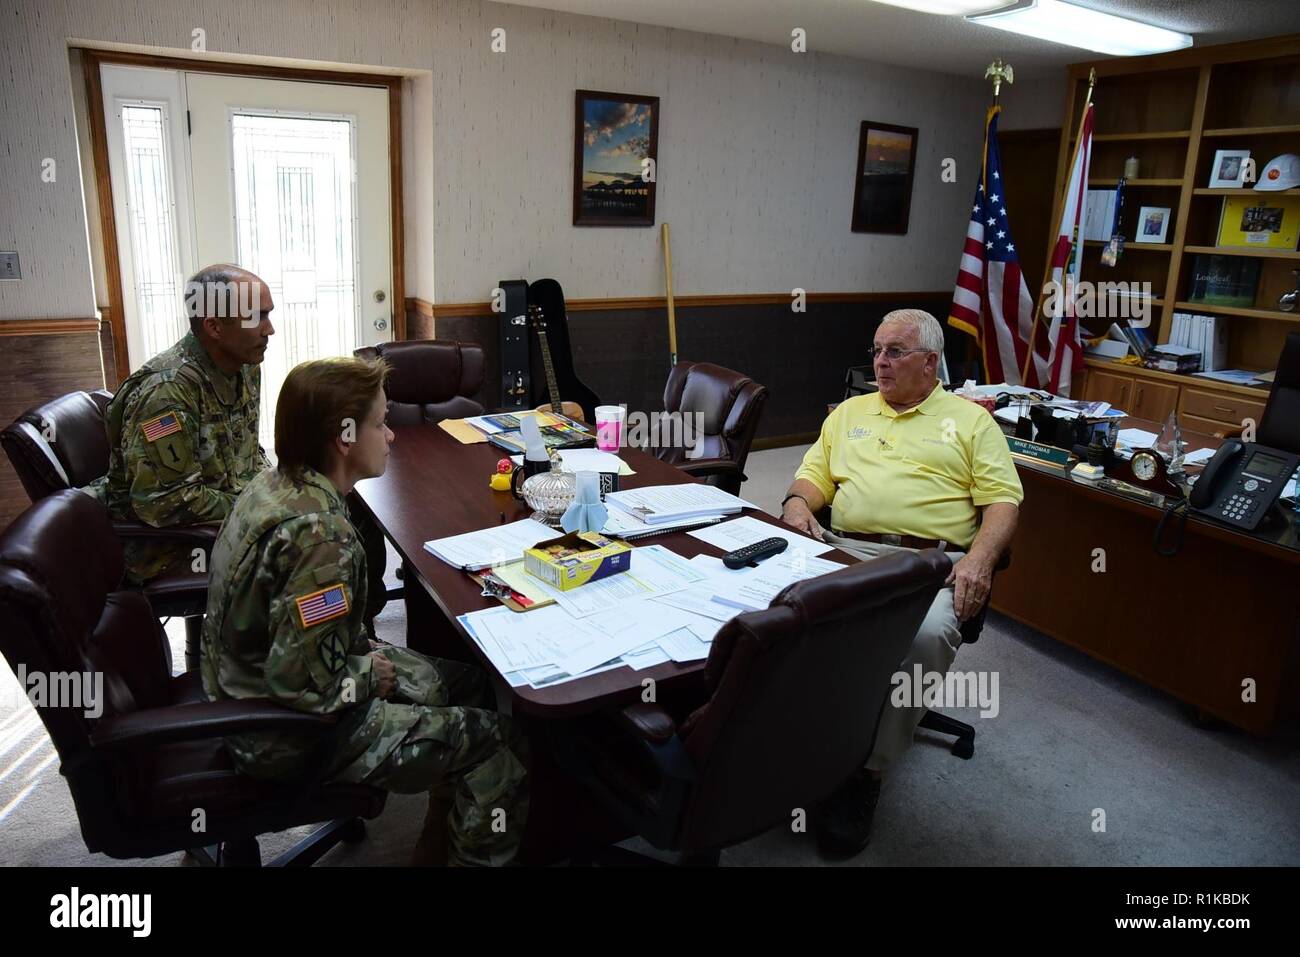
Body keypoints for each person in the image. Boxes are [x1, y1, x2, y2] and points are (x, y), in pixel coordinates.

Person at [201, 356, 528, 866]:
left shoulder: (279, 484)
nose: (391, 436)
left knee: (474, 685)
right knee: (498, 744)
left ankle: (440, 835)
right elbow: (302, 689)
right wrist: (367, 676)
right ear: (344, 437)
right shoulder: (320, 539)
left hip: (248, 688)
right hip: (284, 736)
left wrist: (363, 663)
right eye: (381, 424)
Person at [781, 309, 1021, 857]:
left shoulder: (970, 422)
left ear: (930, 363)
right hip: (843, 547)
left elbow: (1003, 503)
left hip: (928, 565)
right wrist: (797, 503)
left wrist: (980, 561)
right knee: (780, 614)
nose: (879, 363)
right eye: (876, 350)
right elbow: (814, 476)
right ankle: (792, 742)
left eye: (894, 352)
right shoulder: (849, 413)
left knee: (923, 638)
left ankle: (866, 772)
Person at [86, 263, 273, 584]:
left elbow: (246, 453)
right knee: (300, 554)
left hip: (214, 519)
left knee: (326, 516)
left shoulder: (243, 366)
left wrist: (276, 488)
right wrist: (260, 506)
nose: (269, 329)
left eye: (268, 314)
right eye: (257, 317)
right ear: (214, 326)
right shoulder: (167, 392)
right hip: (162, 545)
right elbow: (165, 503)